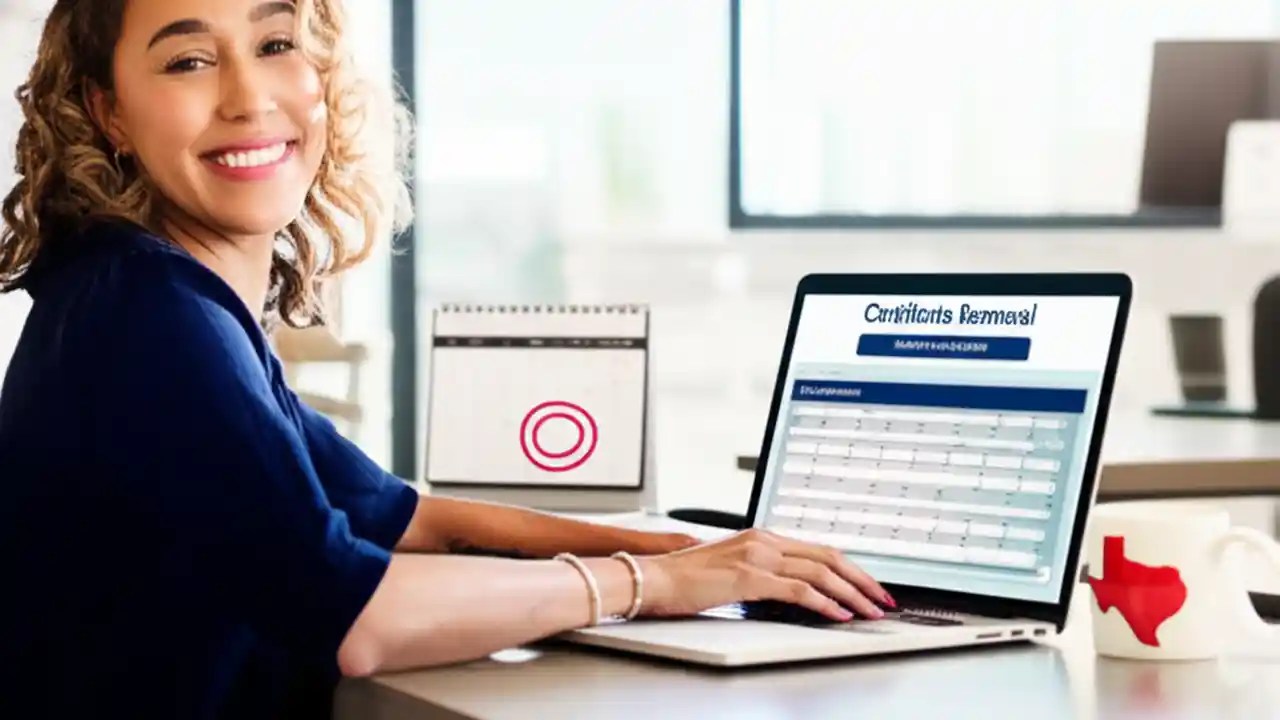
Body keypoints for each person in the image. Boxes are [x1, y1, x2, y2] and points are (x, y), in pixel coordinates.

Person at [0, 1, 892, 717]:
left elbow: (410, 520)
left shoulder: (161, 298)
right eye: (189, 60)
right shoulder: (143, 314)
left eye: (276, 41)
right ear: (107, 112)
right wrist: (645, 584)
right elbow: (355, 616)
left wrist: (687, 548)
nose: (248, 96)